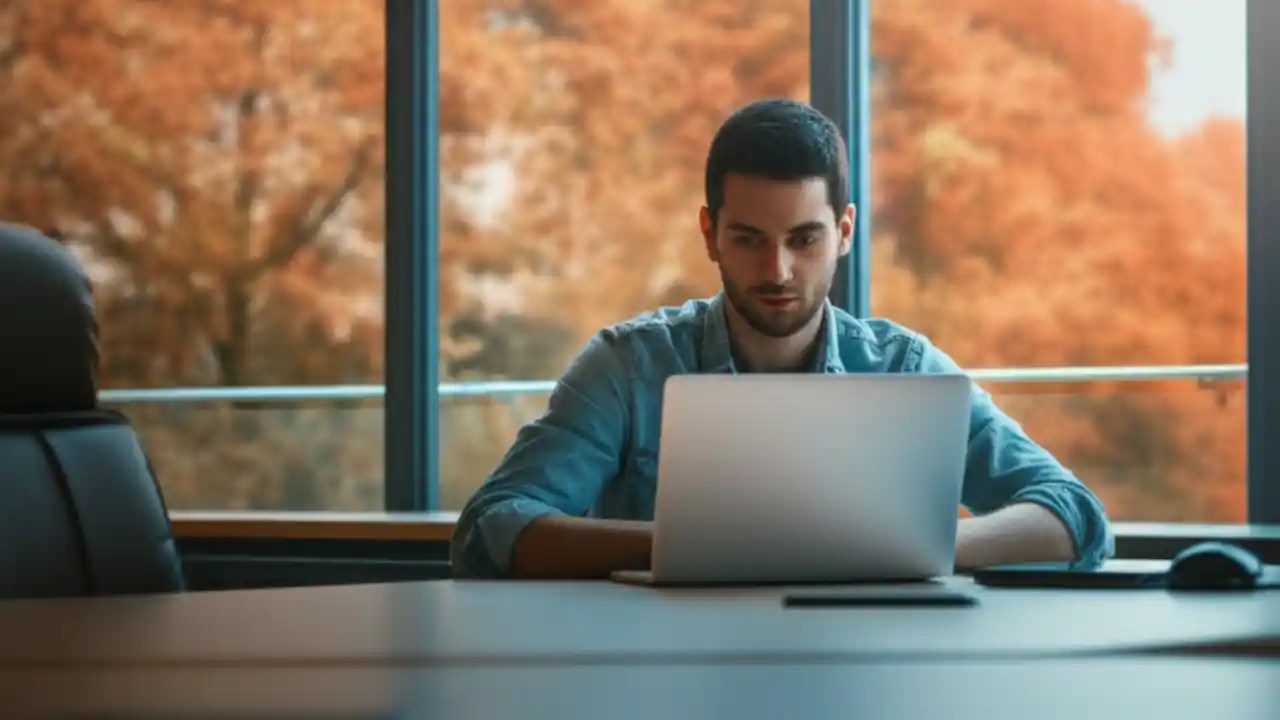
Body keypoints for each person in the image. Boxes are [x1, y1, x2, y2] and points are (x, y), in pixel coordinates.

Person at [451, 99, 1114, 579]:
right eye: (748, 239)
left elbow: (1074, 516)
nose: (777, 270)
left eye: (804, 239)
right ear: (709, 233)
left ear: (845, 232)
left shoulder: (901, 368)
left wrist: (918, 549)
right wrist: (691, 546)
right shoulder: (628, 368)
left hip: (859, 668)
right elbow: (491, 529)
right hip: (665, 675)